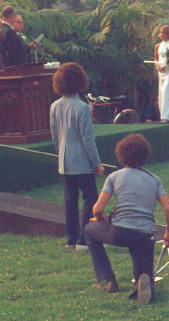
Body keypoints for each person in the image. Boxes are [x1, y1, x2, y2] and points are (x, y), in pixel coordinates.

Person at [85, 134, 169, 305]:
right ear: (145, 155)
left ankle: (108, 279)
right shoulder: (154, 179)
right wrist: (168, 232)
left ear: (121, 154)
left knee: (89, 231)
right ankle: (143, 279)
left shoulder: (114, 177)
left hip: (120, 231)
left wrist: (100, 218)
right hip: (145, 234)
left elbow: (97, 209)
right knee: (142, 264)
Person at [49, 62, 104, 251]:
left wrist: (60, 154)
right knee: (90, 198)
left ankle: (71, 239)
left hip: (64, 160)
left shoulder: (54, 106)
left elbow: (55, 136)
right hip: (82, 161)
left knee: (70, 200)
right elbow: (88, 139)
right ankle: (83, 239)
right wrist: (97, 162)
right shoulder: (82, 108)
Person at [0, 6, 29, 77]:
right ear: (11, 16)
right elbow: (13, 53)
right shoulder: (9, 31)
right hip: (12, 71)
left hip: (1, 70)